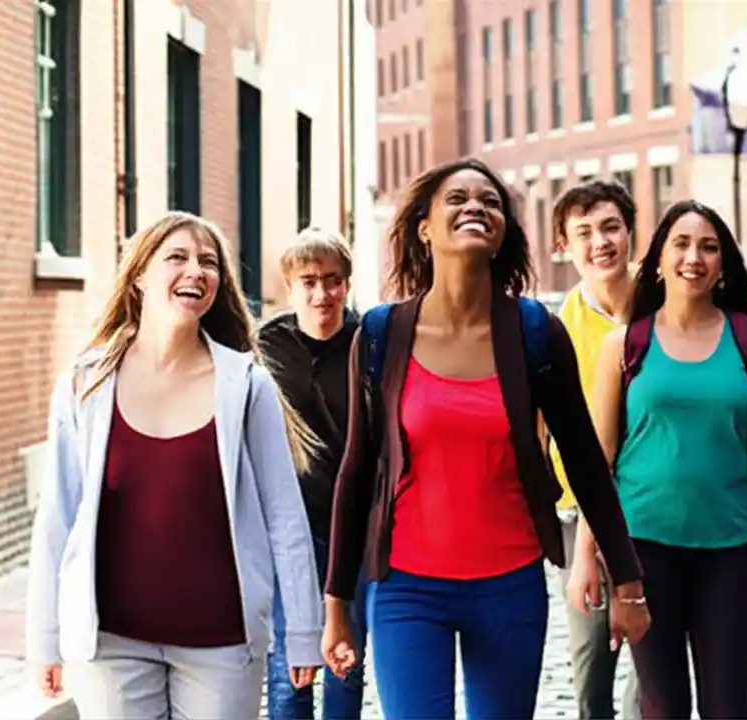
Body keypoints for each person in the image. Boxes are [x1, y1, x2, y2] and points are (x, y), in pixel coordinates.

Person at [321, 158, 650, 719]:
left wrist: (628, 582)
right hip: (406, 588)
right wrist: (335, 606)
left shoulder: (535, 333)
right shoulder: (380, 334)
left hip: (508, 585)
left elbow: (586, 463)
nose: (475, 206)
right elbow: (356, 472)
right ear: (423, 227)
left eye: (490, 201)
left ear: (502, 234)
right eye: (457, 198)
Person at [24, 211, 324, 718]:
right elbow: (58, 514)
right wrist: (45, 638)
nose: (196, 271)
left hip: (223, 645)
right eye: (177, 257)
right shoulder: (86, 383)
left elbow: (285, 517)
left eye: (209, 262)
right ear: (139, 275)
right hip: (110, 642)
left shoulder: (245, 385)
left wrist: (303, 630)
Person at [571, 199, 747, 719]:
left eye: (709, 247)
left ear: (723, 264)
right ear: (659, 259)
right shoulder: (624, 343)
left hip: (730, 552)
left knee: (729, 708)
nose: (695, 257)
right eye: (682, 244)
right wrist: (586, 553)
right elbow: (599, 456)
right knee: (662, 706)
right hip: (643, 553)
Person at [259, 228, 368, 719]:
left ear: (347, 283)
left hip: (358, 528)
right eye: (308, 281)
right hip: (292, 528)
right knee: (290, 666)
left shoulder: (370, 343)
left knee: (347, 662)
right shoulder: (266, 348)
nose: (321, 293)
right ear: (289, 286)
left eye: (332, 280)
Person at [545, 180, 639, 720]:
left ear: (630, 232)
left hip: (654, 502)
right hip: (578, 511)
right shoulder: (557, 327)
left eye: (610, 227)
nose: (599, 242)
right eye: (583, 233)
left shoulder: (664, 305)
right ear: (565, 244)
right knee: (591, 659)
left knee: (656, 662)